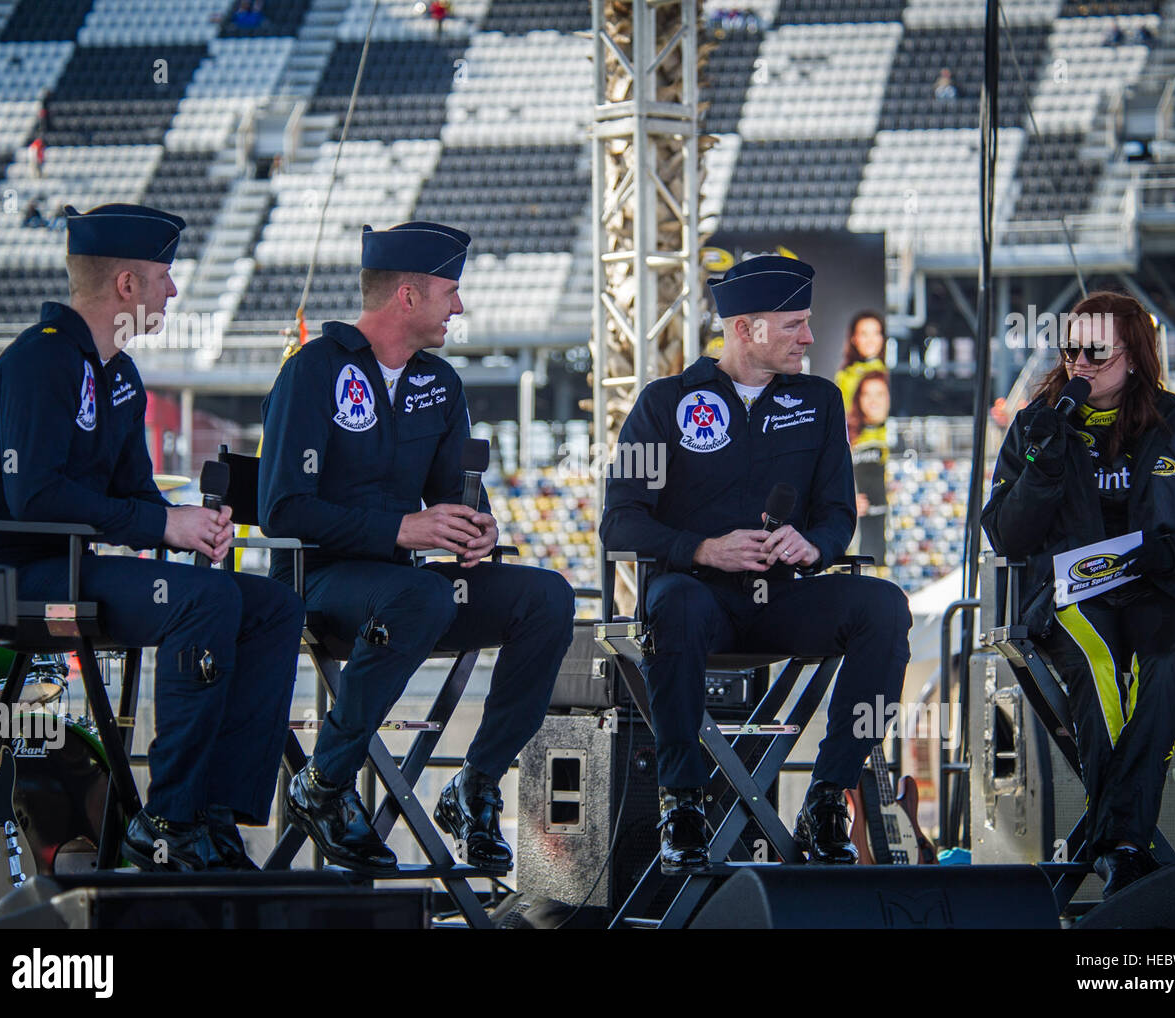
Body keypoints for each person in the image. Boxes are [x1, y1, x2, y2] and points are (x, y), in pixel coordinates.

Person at [0, 203, 305, 872]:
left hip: (72, 565)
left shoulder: (119, 374)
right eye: (164, 276)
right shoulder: (42, 360)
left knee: (273, 606)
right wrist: (159, 524)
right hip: (13, 576)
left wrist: (190, 529)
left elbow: (132, 494)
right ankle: (168, 821)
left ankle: (213, 813)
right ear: (127, 286)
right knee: (205, 603)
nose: (173, 291)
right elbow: (34, 496)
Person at [259, 221, 575, 877]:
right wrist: (404, 529)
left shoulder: (439, 382)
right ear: (408, 295)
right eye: (449, 292)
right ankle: (322, 785)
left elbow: (452, 495)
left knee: (546, 596)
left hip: (407, 592)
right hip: (318, 582)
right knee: (420, 594)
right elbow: (281, 509)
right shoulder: (312, 371)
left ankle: (477, 785)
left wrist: (477, 527)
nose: (458, 307)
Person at [600, 255, 913, 872]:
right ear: (745, 328)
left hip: (784, 599)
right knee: (675, 604)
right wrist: (702, 548)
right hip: (696, 601)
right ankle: (681, 801)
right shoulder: (665, 403)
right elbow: (620, 521)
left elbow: (837, 515)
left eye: (808, 322)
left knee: (884, 607)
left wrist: (814, 545)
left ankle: (829, 796)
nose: (810, 337)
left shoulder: (821, 402)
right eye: (794, 324)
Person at [982, 291, 1175, 898]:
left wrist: (1168, 553)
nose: (1080, 361)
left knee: (1164, 663)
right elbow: (1004, 532)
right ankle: (1126, 845)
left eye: (1096, 349)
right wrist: (1042, 463)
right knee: (1101, 669)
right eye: (1070, 348)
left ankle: (1110, 845)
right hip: (1069, 598)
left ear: (1133, 353)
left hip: (1158, 591)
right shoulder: (1035, 423)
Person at [835, 311, 890, 561]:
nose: (871, 340)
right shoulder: (845, 377)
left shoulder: (887, 371)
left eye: (876, 333)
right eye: (864, 333)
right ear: (854, 339)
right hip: (858, 456)